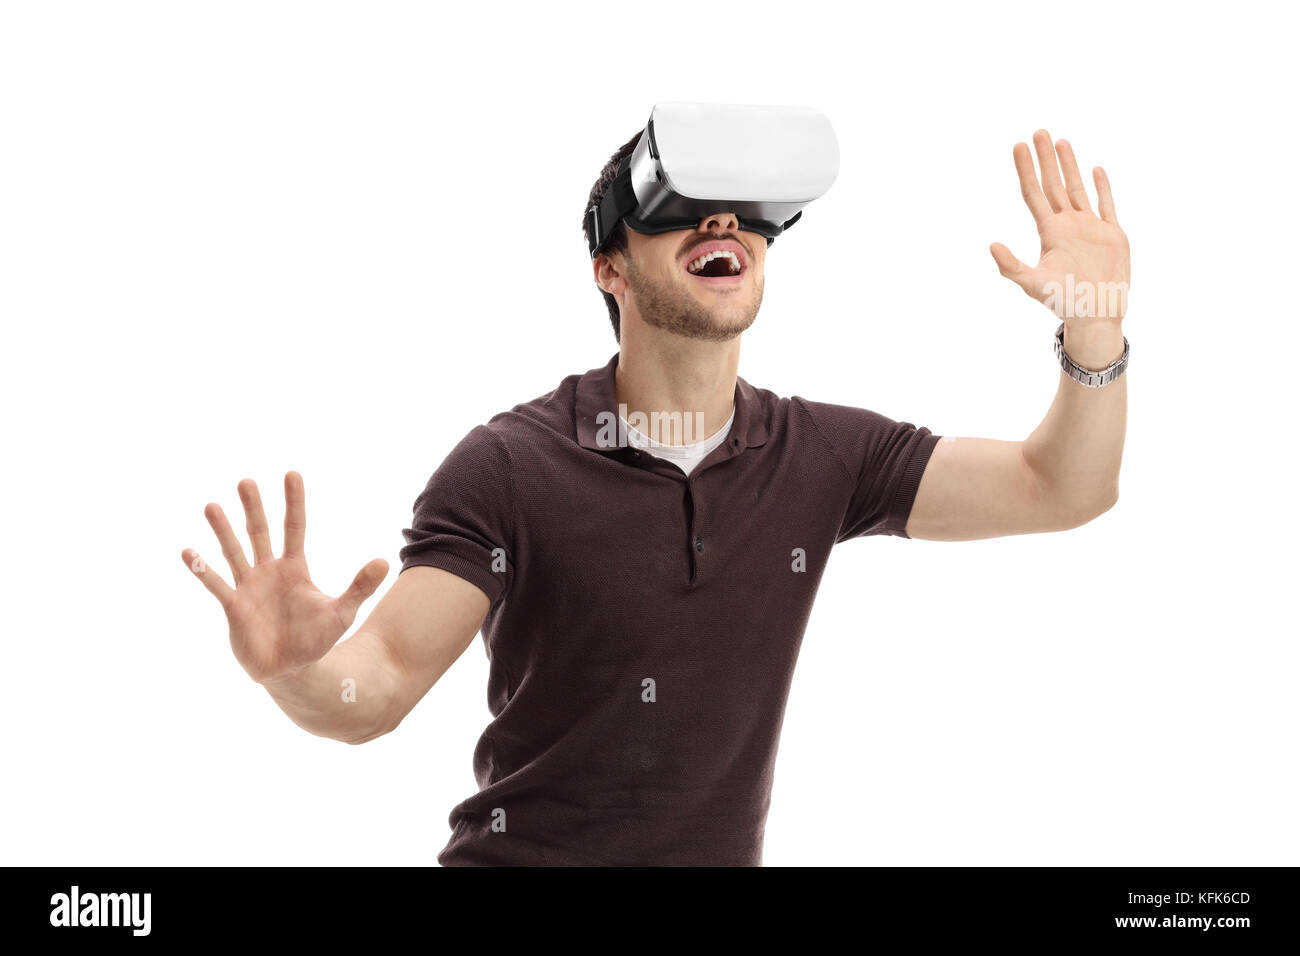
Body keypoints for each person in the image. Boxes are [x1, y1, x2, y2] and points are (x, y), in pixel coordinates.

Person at [182, 127, 1129, 866]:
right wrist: (297, 675)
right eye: (678, 206)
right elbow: (377, 685)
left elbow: (1063, 487)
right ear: (610, 269)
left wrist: (1094, 329)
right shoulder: (509, 466)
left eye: (743, 211)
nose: (722, 224)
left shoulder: (824, 456)